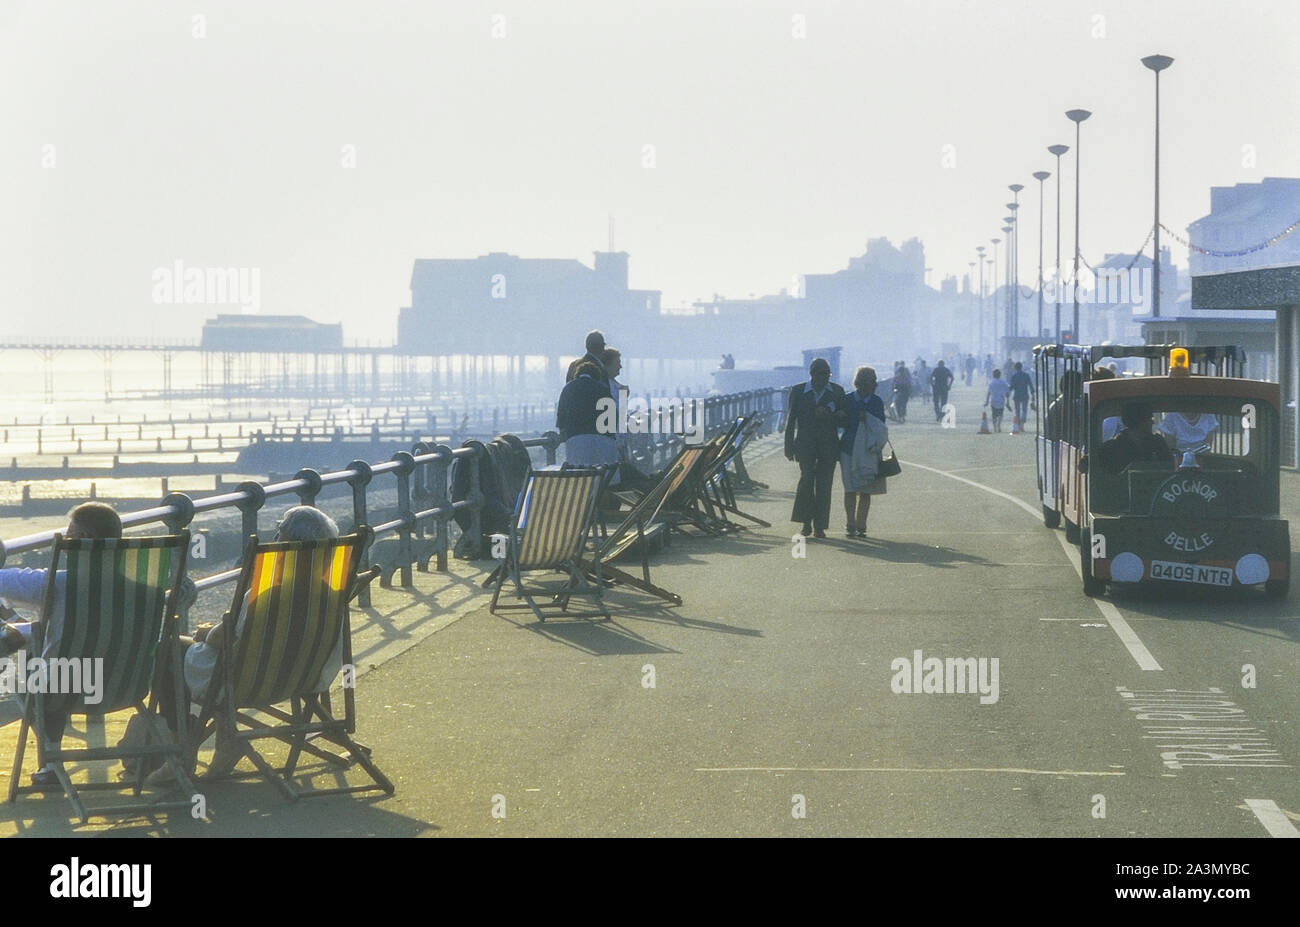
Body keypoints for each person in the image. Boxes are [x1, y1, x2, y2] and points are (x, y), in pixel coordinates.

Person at [155, 506, 343, 782]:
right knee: (217, 660)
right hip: (302, 678)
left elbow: (226, 638)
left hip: (247, 683)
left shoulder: (267, 594)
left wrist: (205, 633)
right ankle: (226, 740)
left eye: (278, 533)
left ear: (282, 543)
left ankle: (182, 754)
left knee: (167, 649)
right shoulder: (332, 592)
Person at [0, 502, 123, 787]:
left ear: (84, 541)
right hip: (129, 683)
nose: (65, 543)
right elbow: (85, 629)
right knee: (46, 661)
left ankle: (53, 761)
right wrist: (27, 632)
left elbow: (7, 581)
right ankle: (173, 756)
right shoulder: (138, 583)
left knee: (20, 669)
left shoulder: (61, 584)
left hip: (71, 687)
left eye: (69, 536)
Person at [784, 358, 846, 538]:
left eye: (827, 374)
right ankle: (805, 523)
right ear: (812, 375)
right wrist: (789, 447)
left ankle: (819, 526)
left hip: (829, 444)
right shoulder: (798, 391)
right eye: (820, 374)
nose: (824, 378)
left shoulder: (837, 392)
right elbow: (791, 420)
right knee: (807, 480)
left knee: (824, 485)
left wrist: (831, 415)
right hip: (805, 444)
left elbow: (844, 420)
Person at [840, 366, 888, 538]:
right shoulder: (847, 400)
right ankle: (850, 523)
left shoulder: (876, 402)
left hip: (868, 449)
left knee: (866, 488)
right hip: (848, 448)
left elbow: (880, 425)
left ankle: (861, 524)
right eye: (869, 381)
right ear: (859, 382)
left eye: (873, 381)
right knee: (850, 487)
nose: (872, 384)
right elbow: (841, 422)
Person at [556, 359, 617, 465]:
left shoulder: (568, 388)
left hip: (576, 439)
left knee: (580, 475)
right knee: (603, 475)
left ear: (577, 374)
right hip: (602, 439)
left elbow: (561, 416)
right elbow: (613, 418)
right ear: (597, 376)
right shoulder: (602, 388)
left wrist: (563, 433)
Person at [1094, 404, 1173, 474]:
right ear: (1139, 422)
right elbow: (1087, 464)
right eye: (1149, 419)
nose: (1152, 423)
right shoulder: (1111, 448)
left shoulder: (1158, 443)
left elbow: (1170, 467)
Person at [1007, 362, 1033, 430]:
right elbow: (1030, 385)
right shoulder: (1026, 375)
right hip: (1025, 394)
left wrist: (1008, 391)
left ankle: (1018, 423)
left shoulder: (1014, 376)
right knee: (1024, 410)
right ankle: (1022, 423)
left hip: (1017, 395)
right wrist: (1033, 395)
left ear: (1015, 368)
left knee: (1017, 410)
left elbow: (1012, 386)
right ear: (1022, 367)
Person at [984, 368, 1009, 433]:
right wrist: (1008, 402)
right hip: (1001, 400)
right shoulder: (1003, 382)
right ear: (1000, 375)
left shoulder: (991, 383)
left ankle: (995, 427)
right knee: (1000, 414)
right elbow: (1007, 392)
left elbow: (989, 393)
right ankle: (999, 425)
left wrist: (986, 402)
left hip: (994, 400)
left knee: (994, 414)